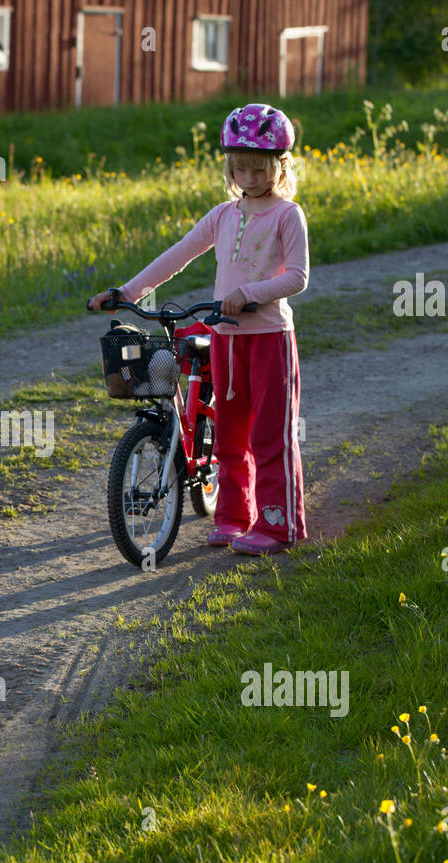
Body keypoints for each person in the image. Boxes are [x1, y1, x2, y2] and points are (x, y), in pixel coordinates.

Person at [88, 103, 308, 554]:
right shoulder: (224, 215)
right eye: (240, 169)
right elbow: (178, 254)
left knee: (268, 434)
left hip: (268, 339)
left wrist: (249, 293)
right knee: (229, 433)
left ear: (279, 167)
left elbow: (298, 277)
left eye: (258, 169)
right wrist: (128, 292)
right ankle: (232, 516)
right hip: (226, 338)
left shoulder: (288, 215)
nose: (248, 178)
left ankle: (278, 524)